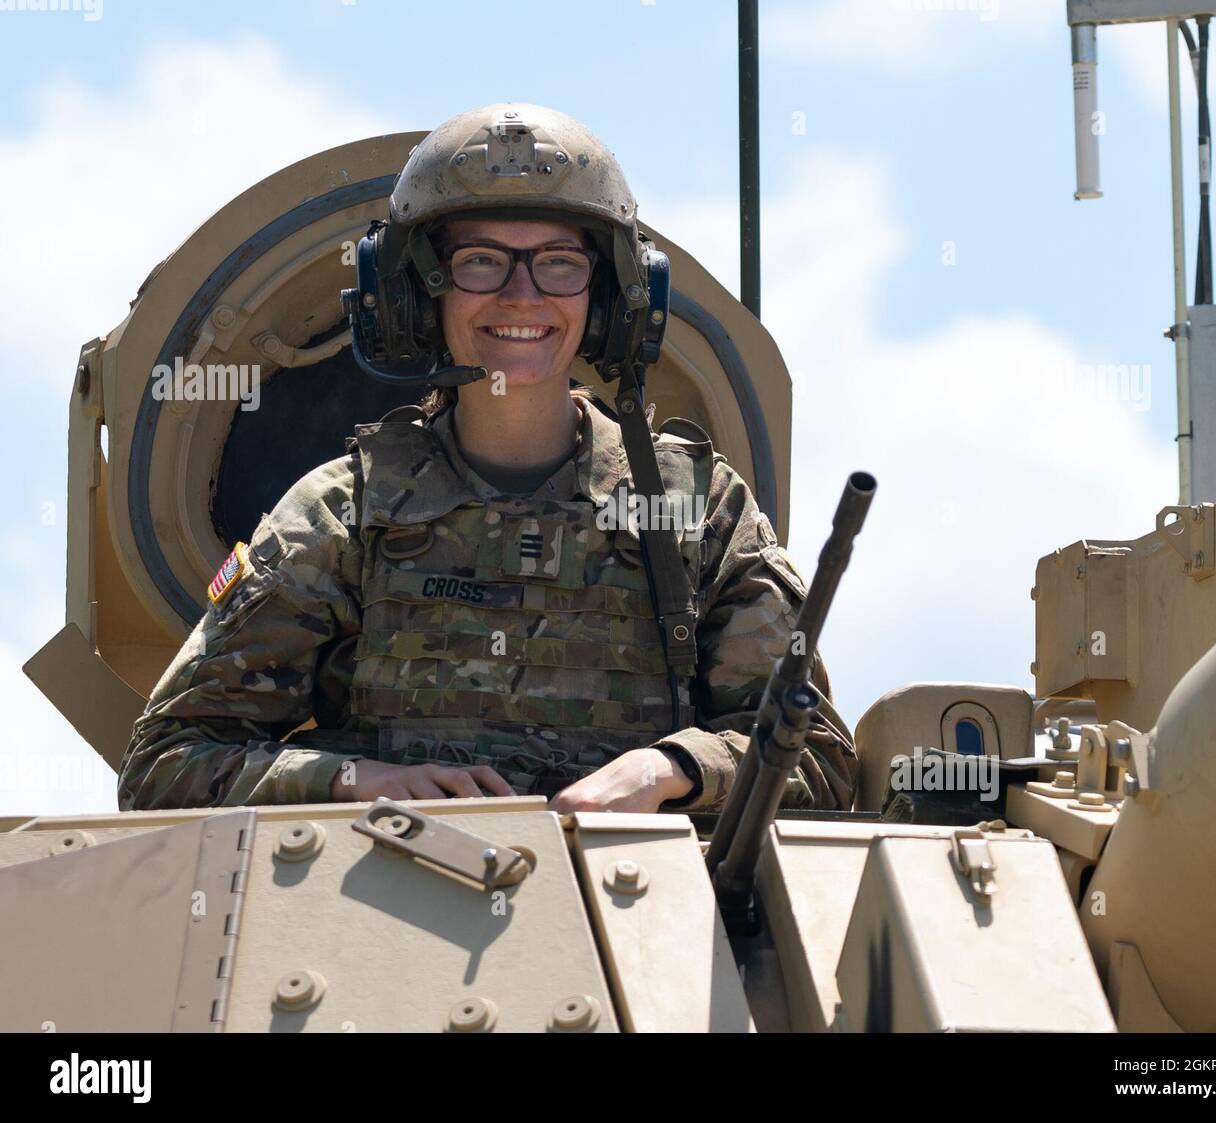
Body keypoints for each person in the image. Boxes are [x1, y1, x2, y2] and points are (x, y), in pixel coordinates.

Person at [118, 103, 857, 814]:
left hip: (642, 911)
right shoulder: (344, 515)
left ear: (610, 299)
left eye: (560, 264)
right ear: (416, 295)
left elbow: (818, 753)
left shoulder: (697, 509)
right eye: (481, 261)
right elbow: (167, 761)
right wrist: (355, 779)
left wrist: (667, 769)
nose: (522, 294)